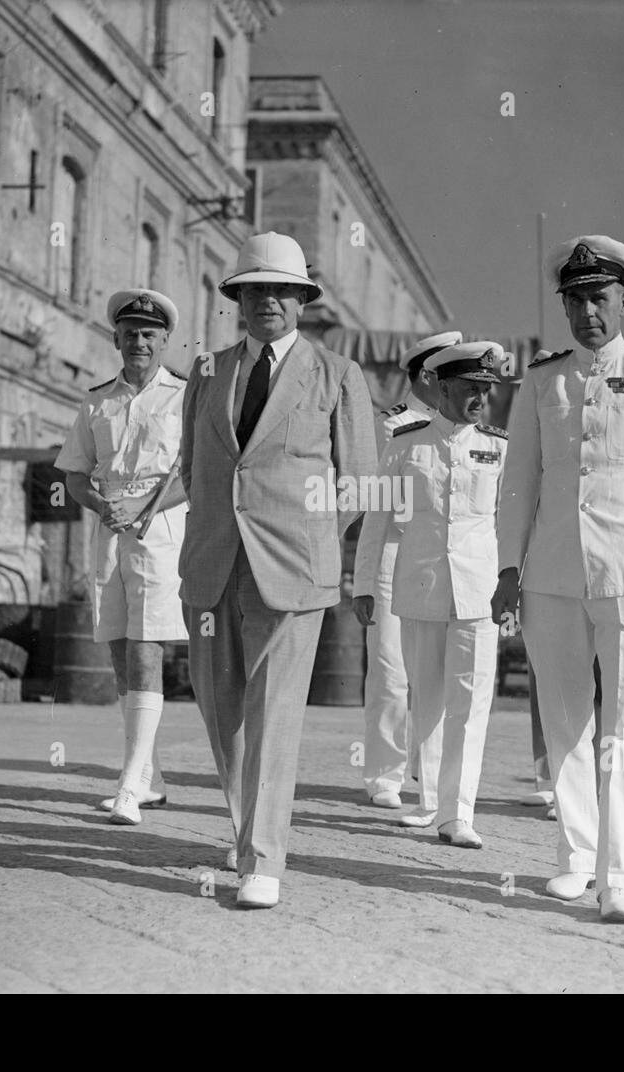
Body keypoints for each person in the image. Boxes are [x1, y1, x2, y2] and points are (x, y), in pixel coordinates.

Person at [492, 234, 624, 923]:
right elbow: (517, 483)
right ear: (565, 303)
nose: (589, 311)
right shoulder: (541, 379)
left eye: (601, 298)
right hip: (552, 575)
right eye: (576, 299)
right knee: (564, 721)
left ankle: (621, 875)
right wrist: (507, 567)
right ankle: (575, 855)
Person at [179, 232, 377, 909]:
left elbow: (360, 483)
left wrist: (313, 537)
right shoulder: (206, 371)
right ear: (237, 299)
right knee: (221, 708)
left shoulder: (338, 374)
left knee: (276, 711)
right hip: (212, 563)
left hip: (293, 567)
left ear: (301, 301)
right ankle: (246, 833)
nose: (267, 300)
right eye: (253, 289)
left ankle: (263, 856)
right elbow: (192, 464)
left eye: (280, 290)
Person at [353, 342, 508, 848]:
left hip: (480, 589)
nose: (480, 397)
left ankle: (459, 812)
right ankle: (432, 804)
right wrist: (363, 584)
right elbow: (376, 519)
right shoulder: (405, 444)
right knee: (428, 696)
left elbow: (511, 522)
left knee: (472, 699)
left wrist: (515, 585)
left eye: (486, 389)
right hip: (420, 585)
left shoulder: (500, 447)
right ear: (442, 387)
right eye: (469, 388)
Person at [54, 289, 189, 824]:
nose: (139, 342)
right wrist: (103, 505)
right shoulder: (96, 401)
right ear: (116, 339)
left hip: (160, 535)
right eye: (130, 333)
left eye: (149, 334)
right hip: (109, 536)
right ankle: (150, 778)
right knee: (118, 651)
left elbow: (194, 474)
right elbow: (73, 474)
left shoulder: (182, 397)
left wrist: (140, 504)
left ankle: (129, 787)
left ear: (163, 341)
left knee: (145, 651)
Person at [359, 333, 456, 812]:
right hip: (394, 552)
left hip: (439, 555)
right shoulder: (390, 427)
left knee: (433, 669)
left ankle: (430, 772)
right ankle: (383, 773)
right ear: (425, 376)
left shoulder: (457, 426)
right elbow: (372, 502)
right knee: (391, 670)